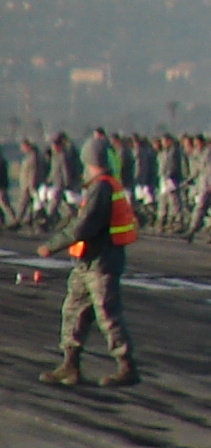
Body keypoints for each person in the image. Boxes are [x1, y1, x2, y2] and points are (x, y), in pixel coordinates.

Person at [37, 142, 140, 387]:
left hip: (102, 261)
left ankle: (127, 366)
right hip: (88, 262)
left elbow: (85, 226)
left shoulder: (101, 188)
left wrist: (52, 245)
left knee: (107, 314)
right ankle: (70, 365)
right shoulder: (102, 186)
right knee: (73, 311)